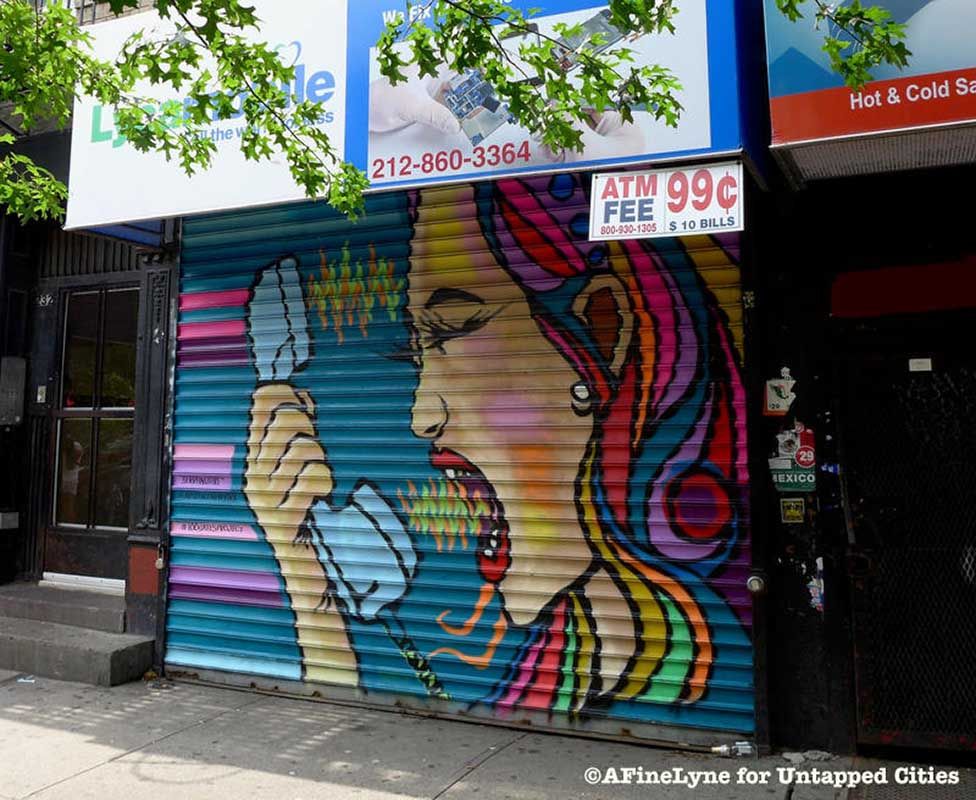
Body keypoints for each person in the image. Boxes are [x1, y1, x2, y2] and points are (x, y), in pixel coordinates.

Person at [244, 173, 750, 718]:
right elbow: (335, 713)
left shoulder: (670, 660)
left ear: (600, 334)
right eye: (418, 353)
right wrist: (303, 572)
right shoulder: (565, 656)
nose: (420, 418)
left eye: (451, 333)